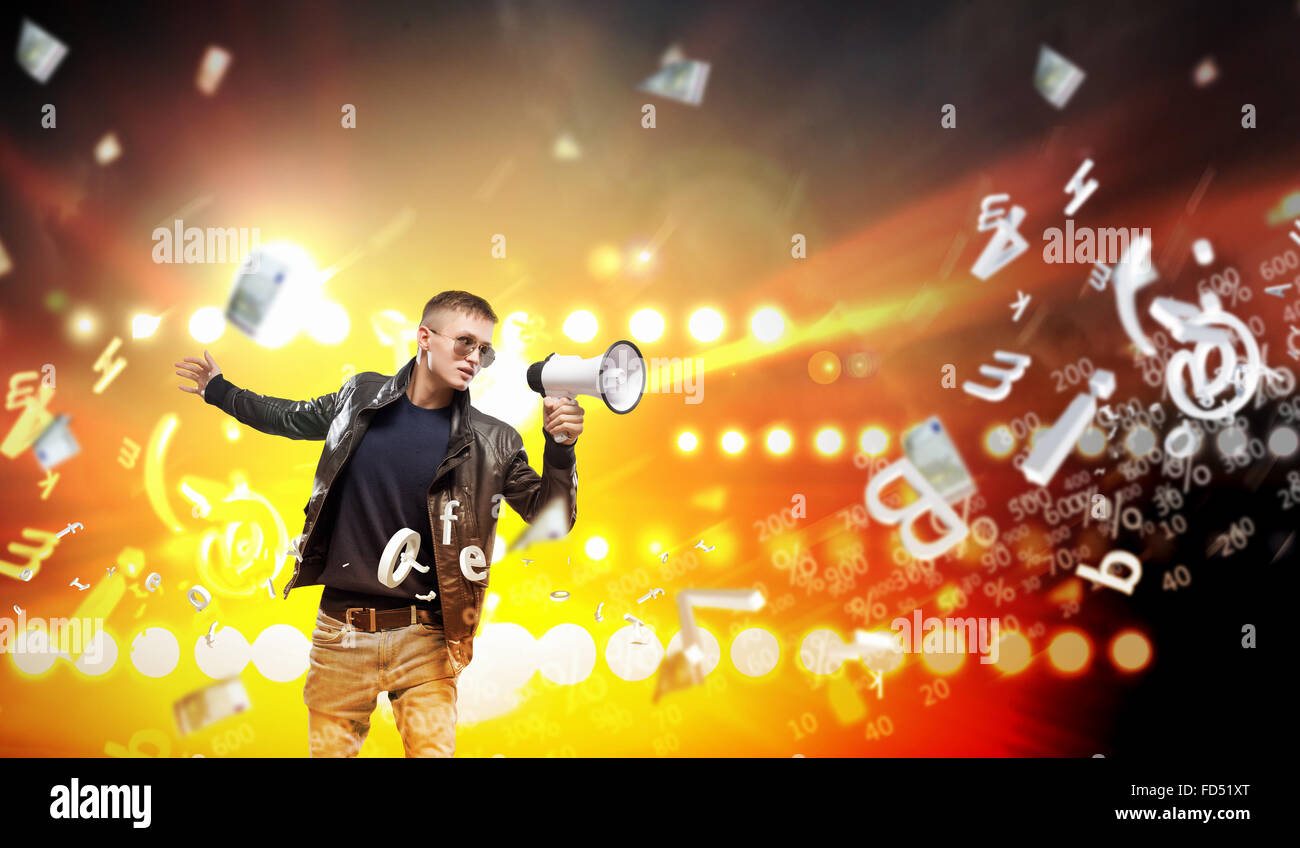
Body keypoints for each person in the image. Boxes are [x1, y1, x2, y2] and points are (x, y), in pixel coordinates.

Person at [174, 290, 582, 757]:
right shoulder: (360, 396)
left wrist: (560, 449)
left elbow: (552, 518)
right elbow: (288, 417)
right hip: (339, 634)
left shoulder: (495, 439)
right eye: (465, 342)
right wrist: (219, 390)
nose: (475, 357)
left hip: (428, 638)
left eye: (484, 350)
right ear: (424, 338)